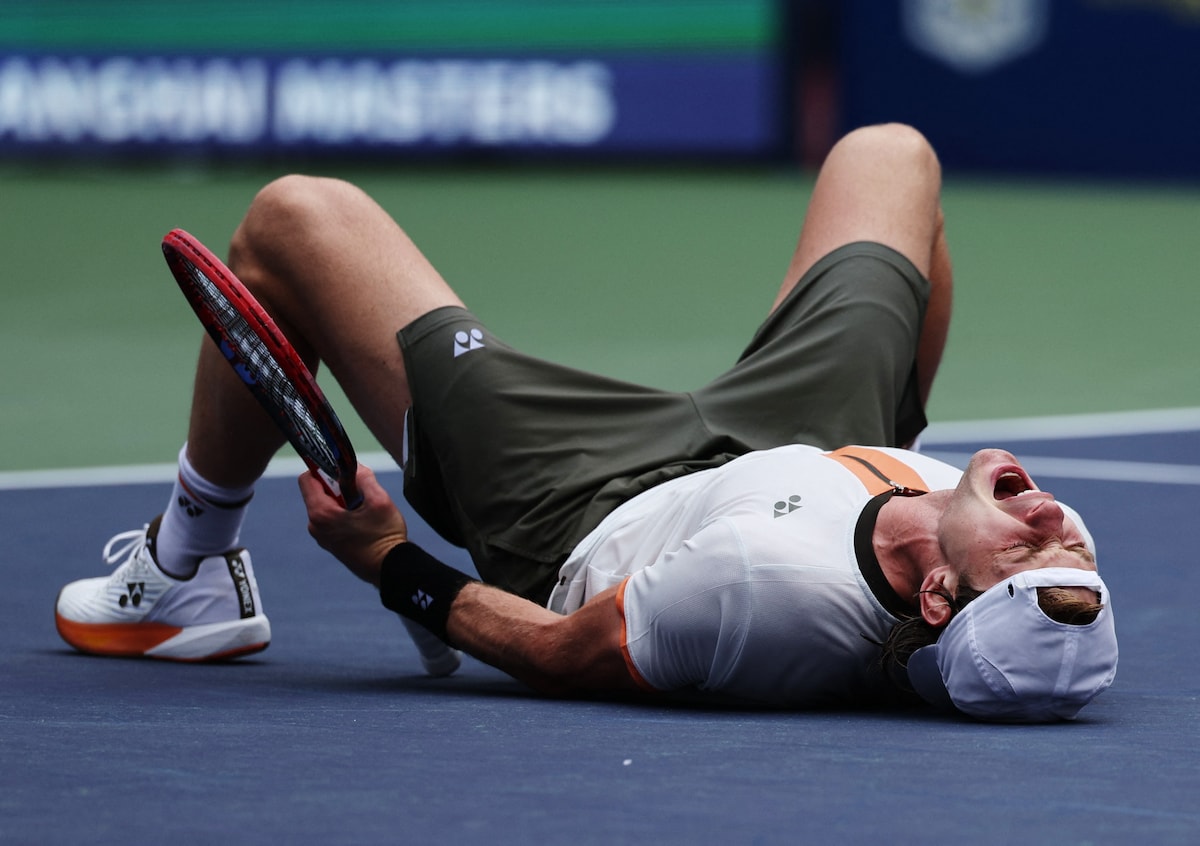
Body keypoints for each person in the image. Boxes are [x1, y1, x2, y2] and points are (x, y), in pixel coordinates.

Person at [55, 123, 1118, 722]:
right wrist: (915, 463)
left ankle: (187, 568)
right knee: (892, 157)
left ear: (935, 595)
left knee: (294, 220)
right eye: (1074, 548)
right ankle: (894, 422)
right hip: (825, 439)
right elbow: (1016, 557)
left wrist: (394, 565)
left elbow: (566, 653)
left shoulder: (761, 585)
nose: (1059, 523)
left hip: (588, 497)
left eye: (1030, 554)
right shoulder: (954, 546)